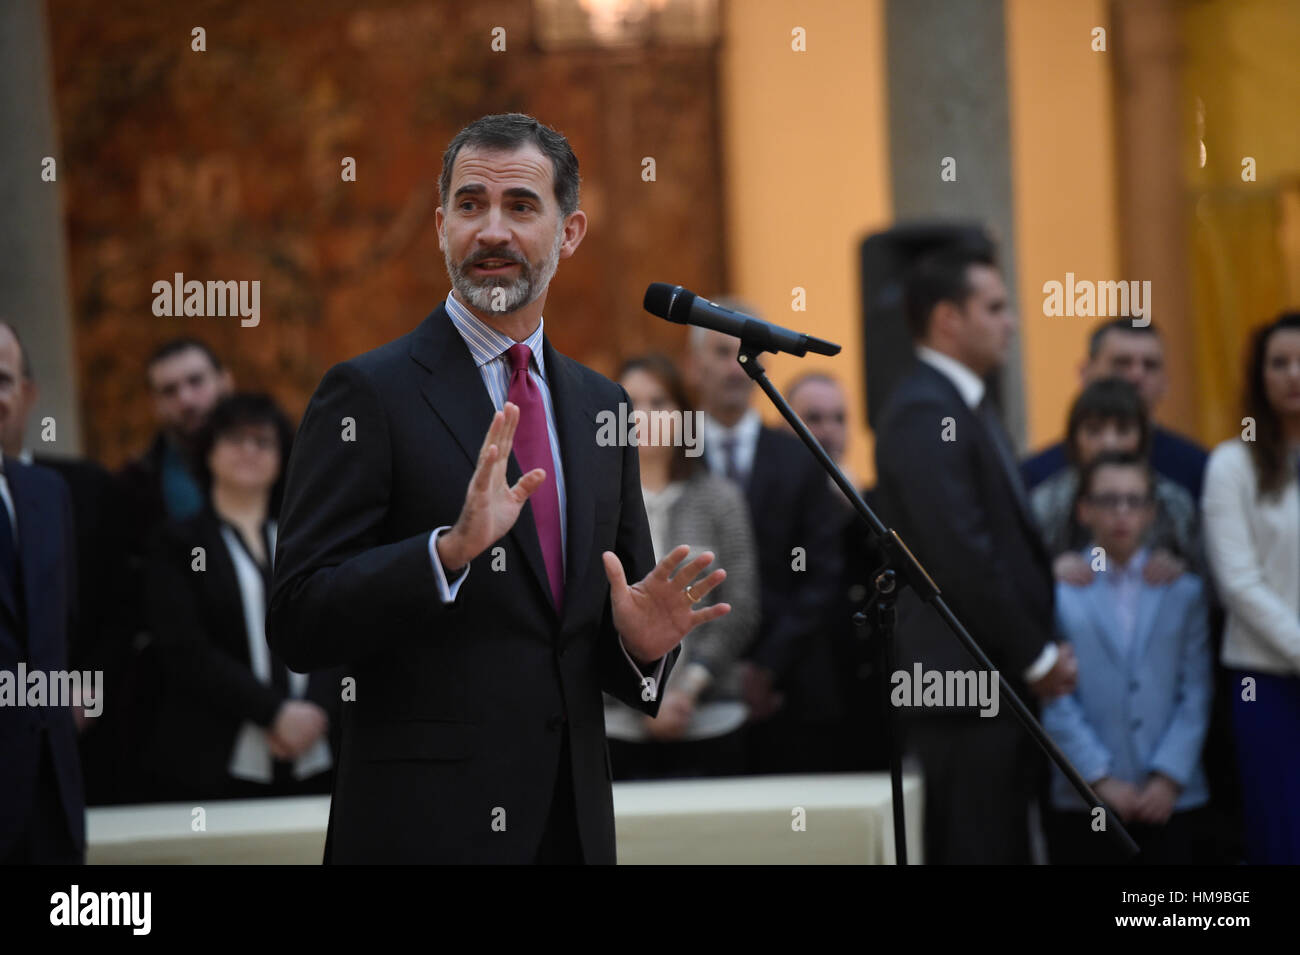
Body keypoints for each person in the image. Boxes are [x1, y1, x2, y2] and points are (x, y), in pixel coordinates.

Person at [267, 113, 729, 864]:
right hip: (422, 832)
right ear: (440, 224)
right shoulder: (368, 394)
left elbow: (587, 630)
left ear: (569, 232)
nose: (492, 231)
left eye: (520, 206)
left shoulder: (602, 406)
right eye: (470, 204)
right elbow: (298, 620)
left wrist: (640, 650)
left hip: (568, 828)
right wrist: (443, 553)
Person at [873, 242, 1077, 864]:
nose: (1010, 321)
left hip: (991, 680)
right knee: (977, 848)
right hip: (960, 687)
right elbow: (959, 555)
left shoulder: (963, 404)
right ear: (948, 319)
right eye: (995, 307)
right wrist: (1036, 654)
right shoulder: (922, 411)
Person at [144, 393, 341, 800]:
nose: (249, 450)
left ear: (282, 456)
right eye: (235, 439)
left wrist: (315, 713)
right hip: (215, 755)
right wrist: (274, 714)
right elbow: (184, 648)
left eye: (264, 442)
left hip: (320, 750)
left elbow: (341, 627)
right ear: (209, 452)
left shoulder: (310, 541)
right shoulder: (177, 542)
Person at [687, 319, 844, 774]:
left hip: (792, 693)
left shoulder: (801, 457)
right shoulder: (671, 456)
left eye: (746, 354)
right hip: (692, 694)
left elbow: (823, 575)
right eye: (721, 353)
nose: (736, 368)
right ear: (695, 365)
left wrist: (768, 667)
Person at [1042, 452, 1213, 864]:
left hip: (1172, 797)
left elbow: (1198, 691)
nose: (1121, 512)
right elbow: (1054, 696)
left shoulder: (1182, 590)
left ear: (1151, 511)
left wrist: (1169, 777)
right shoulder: (1059, 592)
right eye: (1108, 500)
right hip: (1083, 798)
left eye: (1134, 501)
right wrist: (1098, 780)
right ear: (1084, 509)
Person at [604, 354, 759, 780]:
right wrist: (642, 697)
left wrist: (687, 689)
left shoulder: (719, 499)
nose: (645, 416)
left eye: (660, 403)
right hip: (615, 729)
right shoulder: (592, 507)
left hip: (710, 718)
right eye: (631, 403)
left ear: (684, 417)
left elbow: (741, 607)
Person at [0, 322, 135, 805]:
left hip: (68, 761)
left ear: (28, 393)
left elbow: (119, 608)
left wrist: (83, 698)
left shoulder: (81, 490)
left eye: (2, 380)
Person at [1202, 311, 1300, 864]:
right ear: (1258, 377)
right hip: (1264, 681)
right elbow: (1238, 582)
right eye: (1279, 363)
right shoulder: (1232, 463)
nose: (1293, 375)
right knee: (1284, 834)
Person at [0, 326, 84, 862]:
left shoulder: (46, 493)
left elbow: (60, 628)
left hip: (48, 801)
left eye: (2, 380)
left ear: (25, 394)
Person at [787, 370, 887, 771]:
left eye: (839, 419)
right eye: (813, 418)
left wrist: (856, 509)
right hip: (801, 705)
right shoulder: (775, 502)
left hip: (869, 700)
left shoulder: (872, 503)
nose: (828, 432)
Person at [1030, 376, 1200, 583]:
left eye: (1123, 430)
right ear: (1074, 440)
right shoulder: (1047, 503)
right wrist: (1047, 571)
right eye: (1094, 430)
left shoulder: (1173, 502)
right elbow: (1017, 576)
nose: (1109, 443)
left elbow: (1206, 579)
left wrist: (1181, 567)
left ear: (1143, 438)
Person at [1021, 319, 1208, 500]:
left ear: (1166, 382)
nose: (1137, 375)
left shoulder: (1198, 470)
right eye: (1122, 363)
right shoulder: (1037, 477)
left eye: (1150, 365)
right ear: (1085, 373)